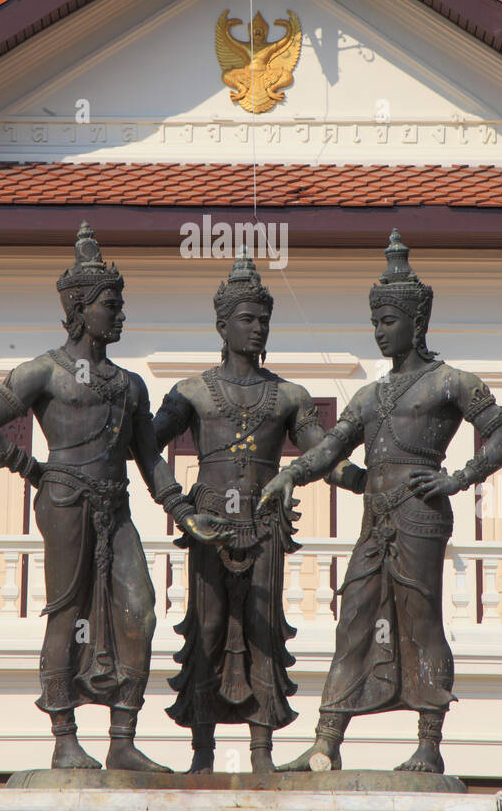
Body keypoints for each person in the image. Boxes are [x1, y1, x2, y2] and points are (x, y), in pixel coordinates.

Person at [0, 224, 226, 772]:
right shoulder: (43, 372)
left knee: (141, 610)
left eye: (121, 304)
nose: (121, 315)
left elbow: (149, 456)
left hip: (117, 507)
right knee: (67, 613)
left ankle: (123, 738)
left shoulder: (131, 385)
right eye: (112, 305)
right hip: (65, 503)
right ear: (81, 309)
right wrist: (33, 470)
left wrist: (182, 511)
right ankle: (64, 736)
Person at [259, 230, 502, 774]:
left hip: (421, 516)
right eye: (375, 322)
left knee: (420, 618)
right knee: (353, 615)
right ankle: (326, 743)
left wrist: (458, 478)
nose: (379, 332)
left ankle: (428, 744)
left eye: (388, 321)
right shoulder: (368, 396)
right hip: (374, 522)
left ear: (416, 322)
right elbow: (331, 447)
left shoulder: (450, 382)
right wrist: (293, 474)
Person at [153, 254, 365, 773]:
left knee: (262, 628)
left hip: (266, 520)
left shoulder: (289, 396)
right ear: (222, 325)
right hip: (207, 523)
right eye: (247, 319)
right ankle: (201, 755)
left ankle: (262, 754)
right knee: (205, 628)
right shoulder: (190, 393)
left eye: (263, 320)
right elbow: (142, 448)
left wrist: (368, 477)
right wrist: (176, 506)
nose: (257, 328)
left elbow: (323, 455)